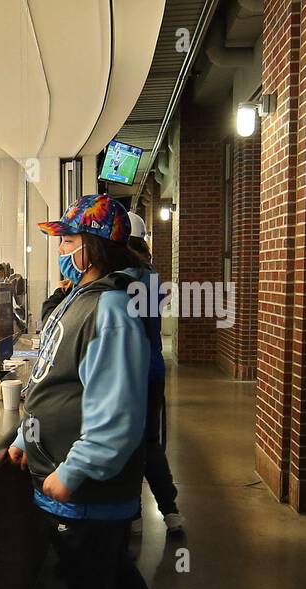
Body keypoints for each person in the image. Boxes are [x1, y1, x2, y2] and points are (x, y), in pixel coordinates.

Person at [7, 194, 195, 589]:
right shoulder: (79, 300)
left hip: (89, 487)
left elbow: (117, 413)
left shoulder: (110, 309)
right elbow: (51, 378)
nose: (60, 249)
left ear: (91, 247)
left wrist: (73, 471)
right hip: (74, 481)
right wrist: (27, 434)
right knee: (112, 569)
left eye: (68, 240)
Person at [127, 211, 184, 535]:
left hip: (132, 375)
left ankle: (133, 513)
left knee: (129, 445)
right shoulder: (152, 275)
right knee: (150, 444)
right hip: (153, 371)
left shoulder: (126, 278)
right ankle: (171, 511)